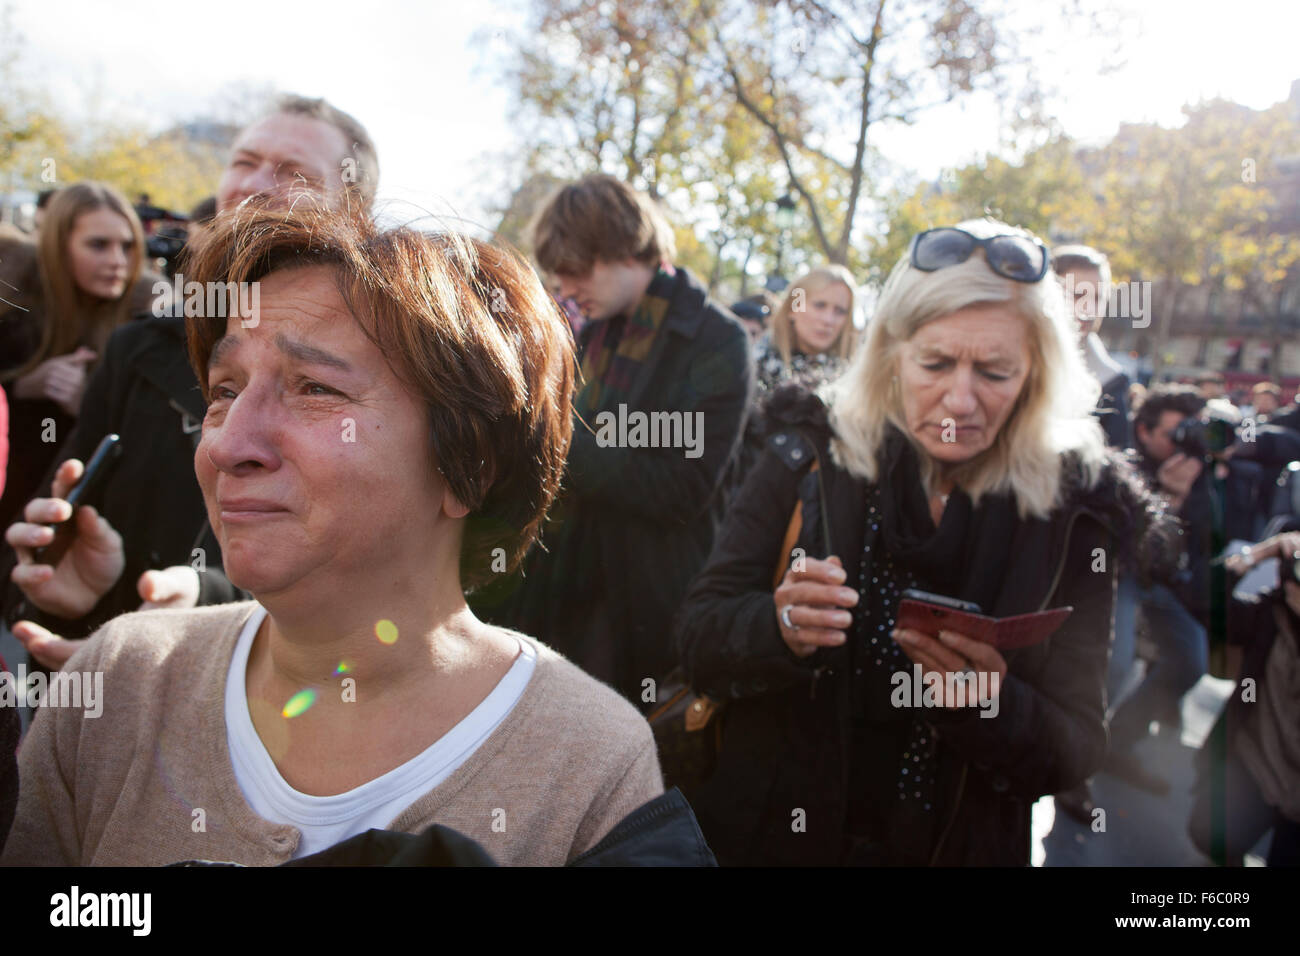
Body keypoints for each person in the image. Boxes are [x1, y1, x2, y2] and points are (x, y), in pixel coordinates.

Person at [1, 201, 674, 867]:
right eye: (224, 389)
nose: (230, 442)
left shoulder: (590, 767)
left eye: (315, 389)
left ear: (468, 466)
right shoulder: (121, 679)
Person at [676, 218, 1170, 866]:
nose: (959, 400)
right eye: (935, 363)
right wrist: (777, 628)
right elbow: (695, 639)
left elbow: (1076, 748)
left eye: (995, 371)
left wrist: (991, 706)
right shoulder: (808, 450)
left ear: (1038, 373)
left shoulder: (1076, 509)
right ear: (889, 353)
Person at [3, 95, 377, 666]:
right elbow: (68, 521)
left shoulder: (381, 371)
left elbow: (377, 575)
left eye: (293, 173)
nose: (251, 185)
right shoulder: (137, 347)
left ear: (354, 213)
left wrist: (210, 604)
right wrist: (58, 591)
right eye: (243, 161)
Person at [478, 174, 752, 702]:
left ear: (625, 248)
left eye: (576, 269)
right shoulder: (590, 330)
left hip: (645, 599)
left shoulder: (717, 340)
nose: (564, 286)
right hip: (561, 583)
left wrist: (551, 436)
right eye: (558, 273)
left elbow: (684, 488)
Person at [0, 183, 163, 532]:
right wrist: (22, 385)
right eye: (98, 245)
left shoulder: (148, 322)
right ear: (59, 247)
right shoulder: (11, 309)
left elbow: (154, 445)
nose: (118, 261)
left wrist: (88, 405)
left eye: (128, 246)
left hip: (94, 523)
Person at [1190, 526, 1300, 866]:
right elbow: (1203, 602)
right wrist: (1257, 555)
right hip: (1261, 759)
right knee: (1208, 831)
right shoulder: (1271, 615)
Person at [1052, 244, 1131, 450]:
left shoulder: (1112, 383)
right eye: (1078, 295)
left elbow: (1117, 457)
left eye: (1097, 297)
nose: (1088, 309)